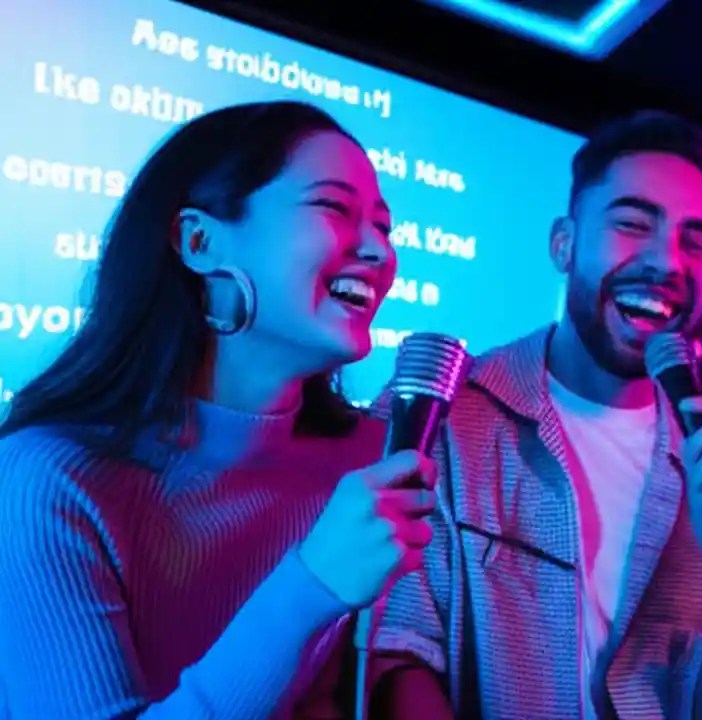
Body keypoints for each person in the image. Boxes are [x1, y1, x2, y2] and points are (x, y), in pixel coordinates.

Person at [0, 101, 434, 718]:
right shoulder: (47, 478)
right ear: (199, 242)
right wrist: (310, 586)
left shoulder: (371, 459)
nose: (378, 252)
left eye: (385, 227)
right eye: (334, 207)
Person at [368, 111, 702, 719]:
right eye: (634, 224)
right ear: (563, 243)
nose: (667, 262)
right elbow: (394, 657)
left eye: (696, 242)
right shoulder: (441, 416)